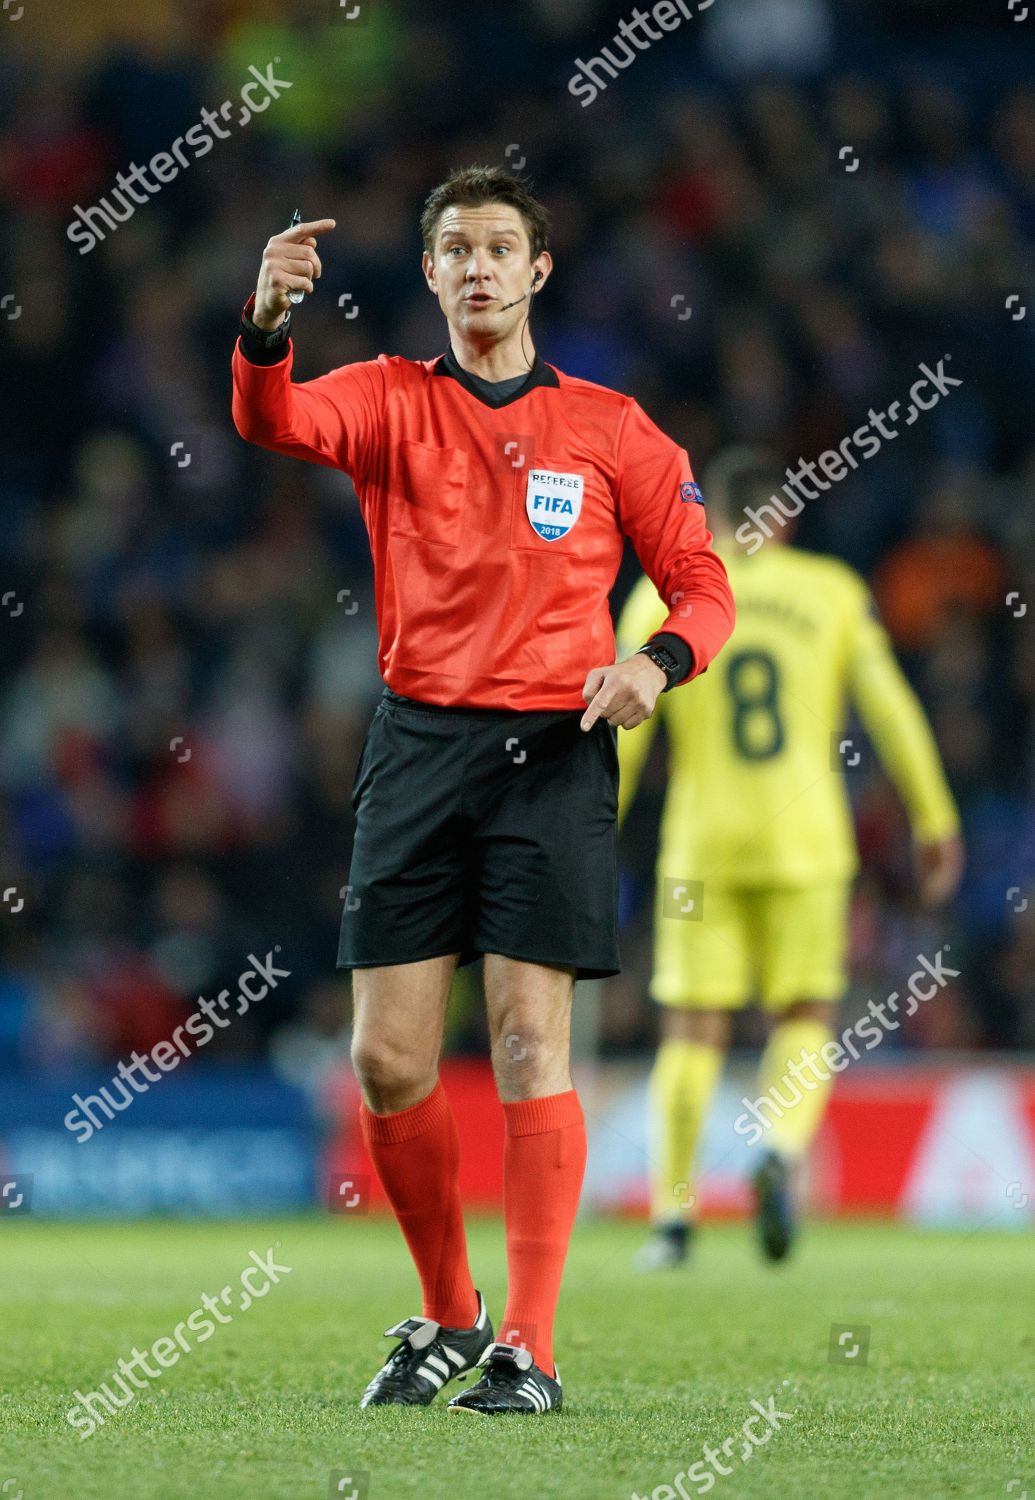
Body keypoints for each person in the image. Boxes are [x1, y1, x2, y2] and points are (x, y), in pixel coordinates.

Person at [231, 166, 735, 1413]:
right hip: (417, 750)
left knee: (525, 1042)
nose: (477, 267)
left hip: (553, 756)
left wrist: (655, 665)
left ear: (538, 272)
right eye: (455, 248)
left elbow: (704, 582)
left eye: (500, 247)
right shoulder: (390, 400)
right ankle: (450, 1314)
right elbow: (272, 423)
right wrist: (265, 328)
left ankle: (536, 1347)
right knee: (388, 1060)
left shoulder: (617, 430)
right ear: (430, 274)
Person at [615, 447, 963, 1269]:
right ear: (789, 514)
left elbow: (623, 725)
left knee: (691, 1030)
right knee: (804, 1017)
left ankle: (672, 1220)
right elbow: (891, 710)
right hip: (808, 847)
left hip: (701, 848)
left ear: (709, 521)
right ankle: (776, 1149)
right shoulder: (831, 594)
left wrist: (589, 835)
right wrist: (933, 818)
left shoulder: (668, 594)